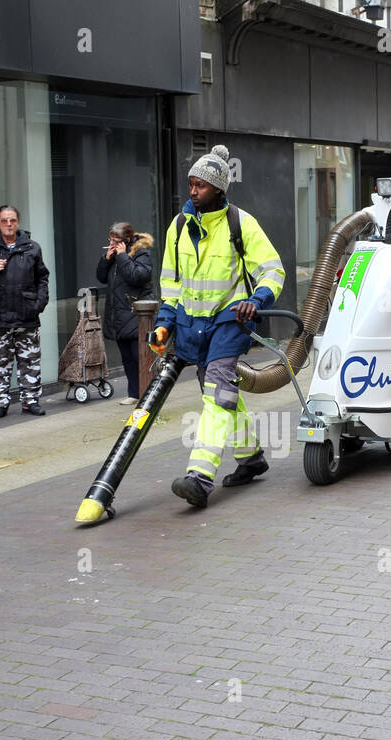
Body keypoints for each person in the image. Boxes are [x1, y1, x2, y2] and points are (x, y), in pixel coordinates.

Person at [149, 144, 285, 509]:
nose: (193, 191)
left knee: (216, 397)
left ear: (220, 189)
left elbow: (273, 270)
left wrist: (255, 301)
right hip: (192, 328)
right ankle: (251, 457)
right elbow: (171, 284)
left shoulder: (242, 224)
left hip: (229, 322)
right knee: (223, 397)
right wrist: (164, 324)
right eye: (191, 184)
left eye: (201, 186)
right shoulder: (177, 228)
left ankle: (199, 477)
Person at [0, 205, 49, 418]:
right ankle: (0, 403)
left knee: (30, 361)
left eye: (12, 220)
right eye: (4, 221)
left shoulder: (32, 247)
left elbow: (42, 278)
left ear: (18, 223)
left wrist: (39, 304)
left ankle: (31, 401)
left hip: (26, 315)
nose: (8, 224)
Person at [96, 221, 154, 405]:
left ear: (127, 240)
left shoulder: (141, 252)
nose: (112, 243)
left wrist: (121, 257)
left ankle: (149, 393)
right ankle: (134, 393)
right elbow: (101, 277)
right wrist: (106, 258)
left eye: (116, 240)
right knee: (127, 358)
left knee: (140, 356)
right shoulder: (114, 254)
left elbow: (138, 276)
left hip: (135, 313)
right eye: (110, 239)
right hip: (118, 313)